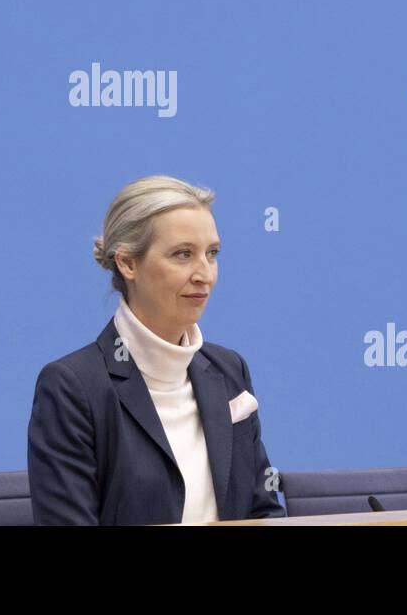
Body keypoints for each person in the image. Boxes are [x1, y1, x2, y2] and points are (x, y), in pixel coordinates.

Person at [28, 176, 285, 524]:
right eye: (183, 254)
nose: (204, 274)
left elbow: (264, 511)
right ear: (128, 263)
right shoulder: (72, 387)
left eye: (212, 254)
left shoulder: (228, 370)